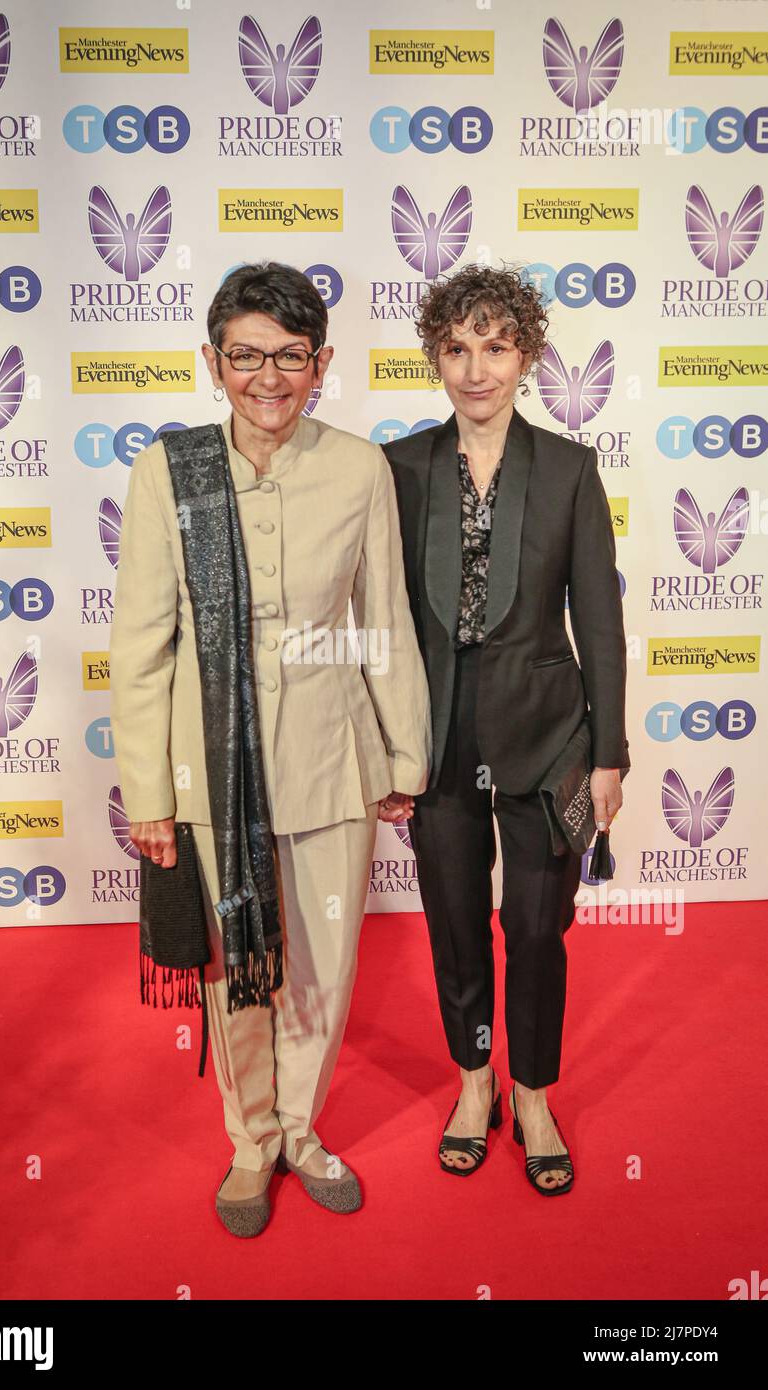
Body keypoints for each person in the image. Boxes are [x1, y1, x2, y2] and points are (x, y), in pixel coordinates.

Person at [109, 261, 431, 1235]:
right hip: (210, 772)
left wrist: (403, 757)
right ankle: (249, 1141)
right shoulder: (172, 470)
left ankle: (299, 1126)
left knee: (322, 970)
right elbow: (140, 644)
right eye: (245, 355)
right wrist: (148, 794)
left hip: (331, 761)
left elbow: (382, 622)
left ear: (320, 362)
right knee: (236, 972)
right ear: (213, 361)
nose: (267, 377)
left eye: (288, 356)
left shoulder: (357, 467)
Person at [383, 264, 628, 1195]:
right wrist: (386, 747)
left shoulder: (568, 467)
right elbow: (386, 618)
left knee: (535, 927)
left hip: (548, 736)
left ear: (526, 353)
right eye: (456, 348)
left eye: (495, 345)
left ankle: (532, 1091)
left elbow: (597, 621)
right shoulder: (401, 469)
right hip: (437, 741)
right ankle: (474, 1081)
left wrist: (607, 754)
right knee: (453, 925)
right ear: (436, 357)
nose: (475, 368)